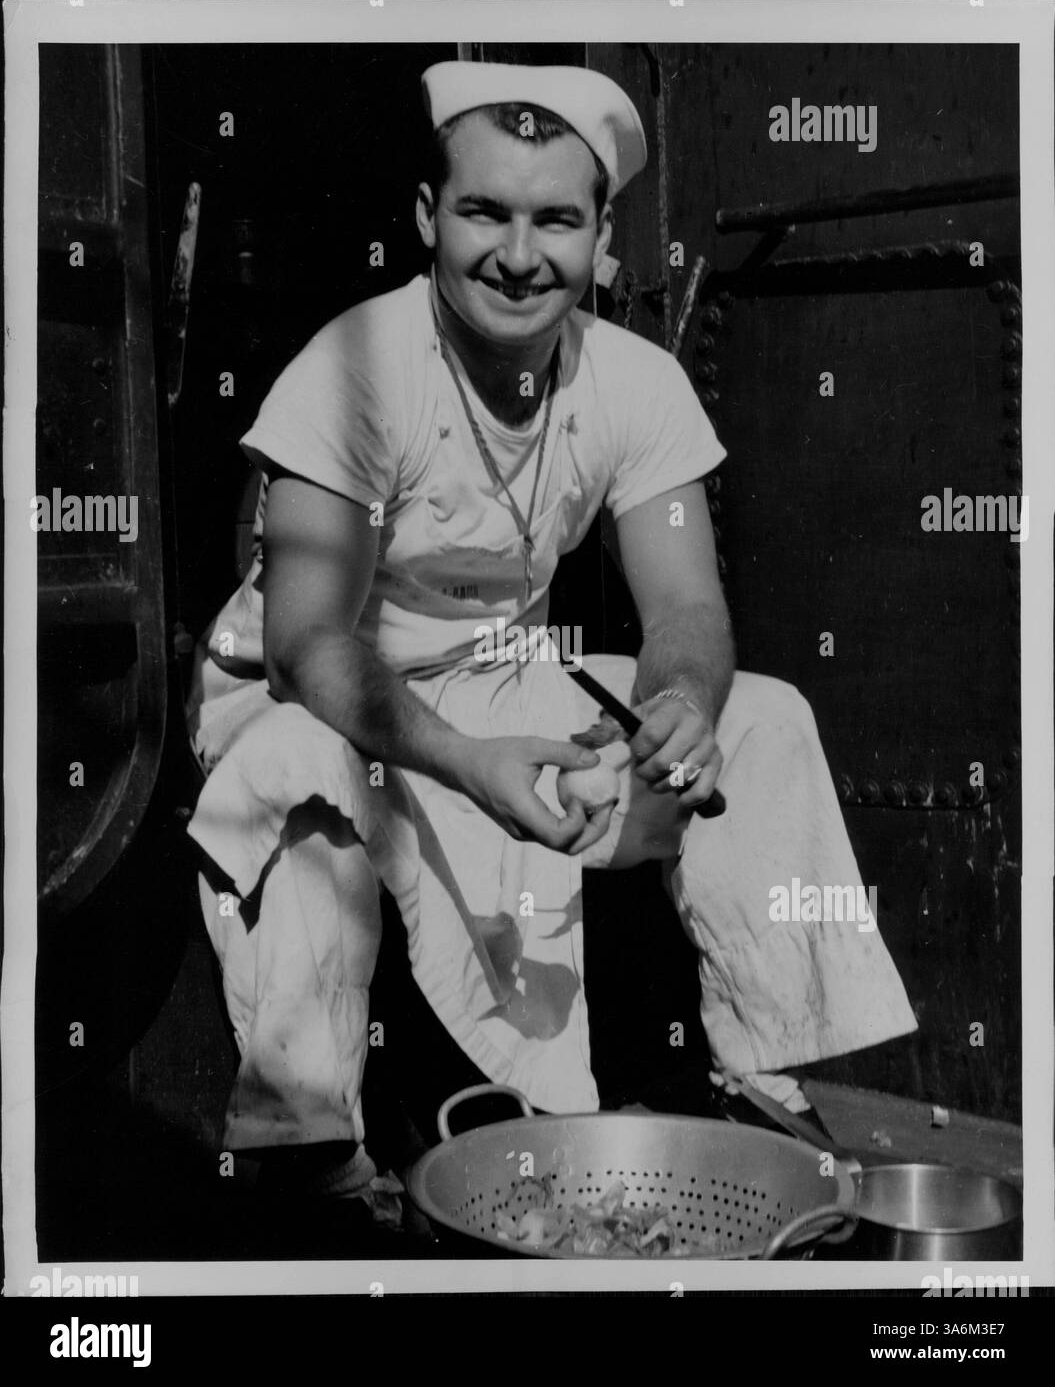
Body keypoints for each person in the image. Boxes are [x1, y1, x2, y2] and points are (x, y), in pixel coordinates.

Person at [185, 61, 917, 1213]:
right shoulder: (350, 368)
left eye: (554, 220)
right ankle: (308, 1146)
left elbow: (684, 609)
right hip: (302, 695)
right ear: (429, 217)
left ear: (598, 231)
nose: (519, 255)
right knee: (307, 768)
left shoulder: (637, 382)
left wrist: (677, 701)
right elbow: (304, 645)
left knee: (764, 717)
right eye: (483, 211)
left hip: (496, 681)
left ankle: (755, 1070)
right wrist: (472, 766)